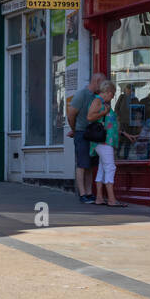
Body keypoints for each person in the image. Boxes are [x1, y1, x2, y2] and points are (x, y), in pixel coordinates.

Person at [66, 73, 105, 204]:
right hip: (82, 133)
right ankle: (82, 194)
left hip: (93, 134)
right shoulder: (82, 94)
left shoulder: (97, 97)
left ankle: (89, 193)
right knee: (82, 164)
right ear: (97, 81)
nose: (104, 86)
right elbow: (71, 113)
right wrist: (75, 129)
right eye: (103, 83)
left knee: (90, 164)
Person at [86, 80, 126, 207]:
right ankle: (111, 199)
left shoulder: (100, 102)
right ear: (108, 92)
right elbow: (90, 117)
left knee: (102, 169)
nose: (113, 97)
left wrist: (123, 133)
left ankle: (99, 198)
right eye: (112, 94)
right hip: (104, 142)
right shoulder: (98, 101)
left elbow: (109, 123)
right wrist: (104, 112)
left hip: (103, 142)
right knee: (110, 167)